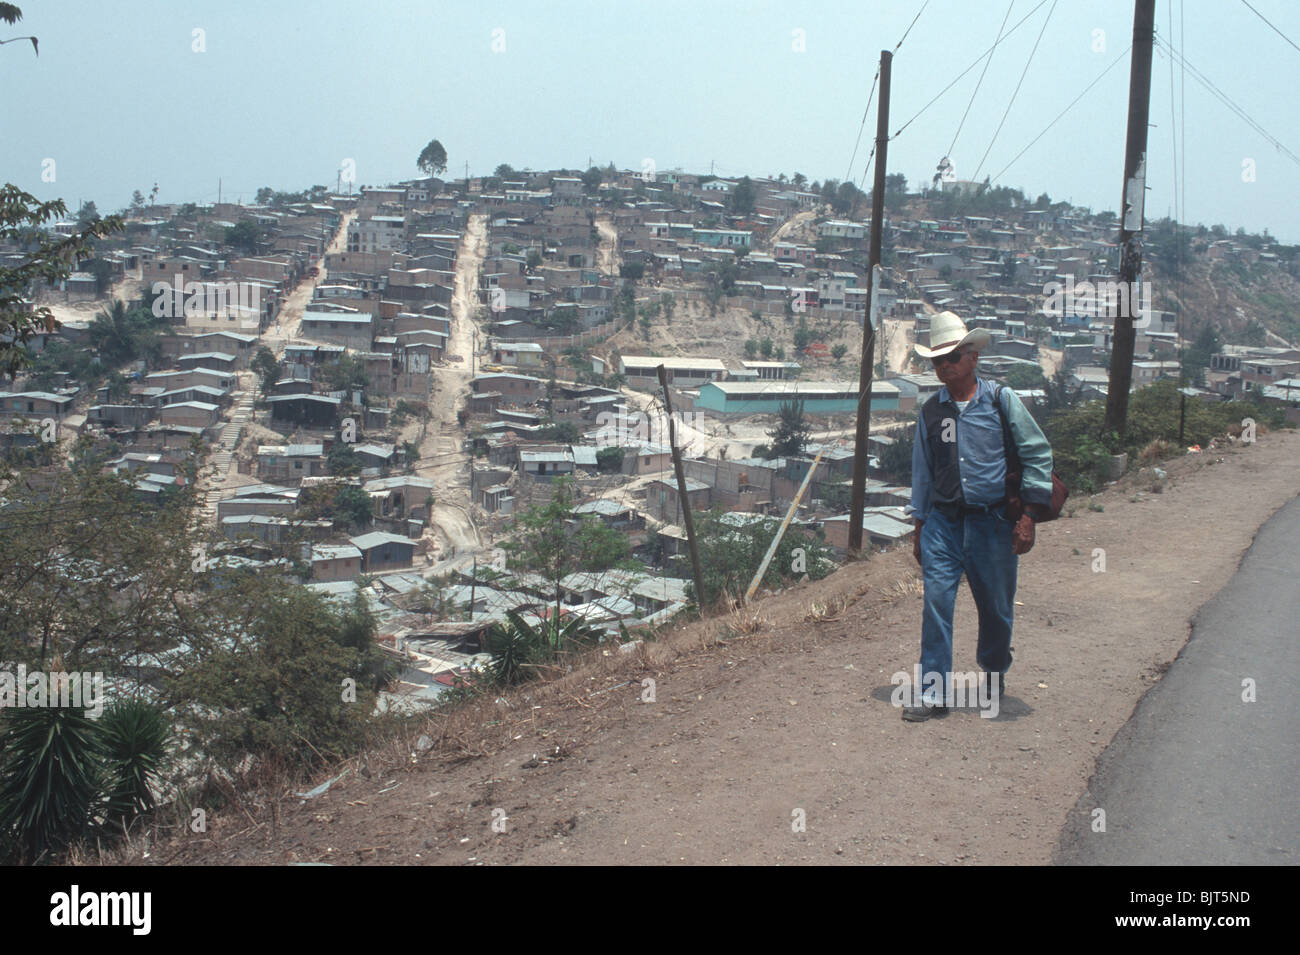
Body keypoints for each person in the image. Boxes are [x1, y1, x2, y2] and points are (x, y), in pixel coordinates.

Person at [902, 311, 1055, 722]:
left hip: (993, 524)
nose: (944, 366)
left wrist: (1028, 518)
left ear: (972, 357)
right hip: (944, 525)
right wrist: (920, 528)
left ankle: (993, 672)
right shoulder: (931, 413)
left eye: (951, 357)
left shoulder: (1001, 401)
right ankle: (934, 693)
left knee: (996, 609)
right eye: (937, 361)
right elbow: (922, 474)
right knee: (936, 603)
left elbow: (1037, 454)